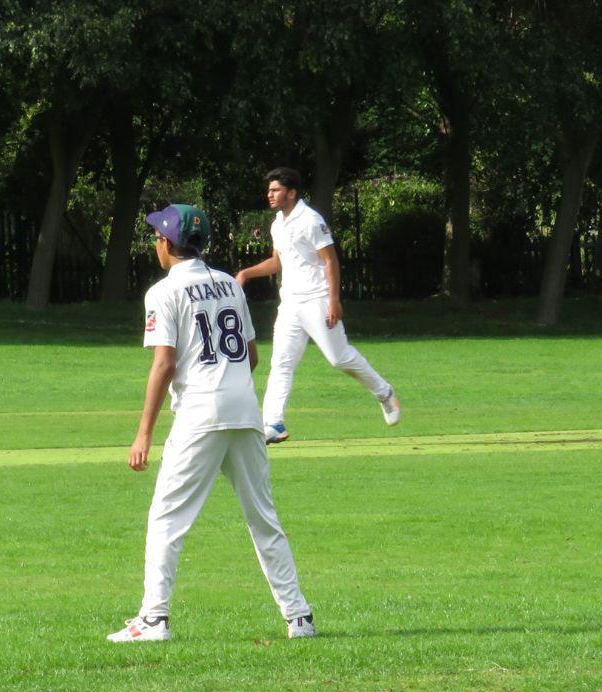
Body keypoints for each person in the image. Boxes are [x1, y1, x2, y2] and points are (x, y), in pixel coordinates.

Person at [108, 203, 316, 643]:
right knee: (263, 519)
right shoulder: (228, 283)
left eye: (156, 238)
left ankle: (153, 620)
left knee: (167, 518)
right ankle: (299, 618)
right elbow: (252, 355)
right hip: (245, 410)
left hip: (199, 414)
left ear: (166, 243)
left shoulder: (162, 292)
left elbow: (164, 364)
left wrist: (143, 433)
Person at [233, 167, 400, 444]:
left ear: (292, 192)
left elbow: (330, 261)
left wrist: (333, 301)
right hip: (290, 304)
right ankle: (273, 423)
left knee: (339, 357)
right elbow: (278, 262)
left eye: (275, 190)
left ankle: (384, 393)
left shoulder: (310, 220)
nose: (270, 194)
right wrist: (246, 273)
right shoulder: (278, 223)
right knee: (281, 363)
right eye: (269, 190)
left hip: (317, 299)